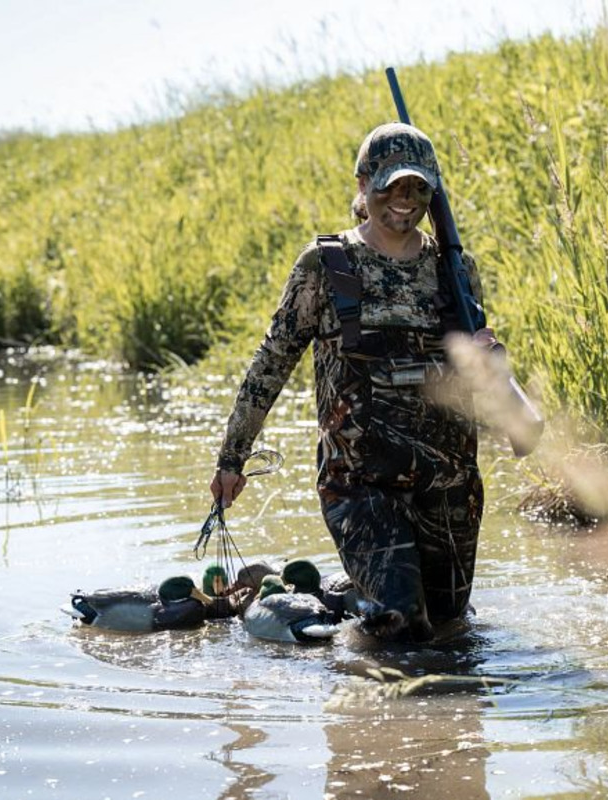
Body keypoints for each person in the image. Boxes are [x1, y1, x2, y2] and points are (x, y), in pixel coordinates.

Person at [210, 122, 495, 640]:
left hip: (448, 483)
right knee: (401, 625)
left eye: (418, 189)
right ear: (363, 185)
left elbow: (471, 382)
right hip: (360, 481)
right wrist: (232, 457)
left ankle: (339, 594)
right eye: (390, 187)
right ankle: (372, 706)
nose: (404, 202)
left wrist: (488, 362)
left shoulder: (454, 269)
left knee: (452, 627)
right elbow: (271, 363)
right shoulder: (327, 265)